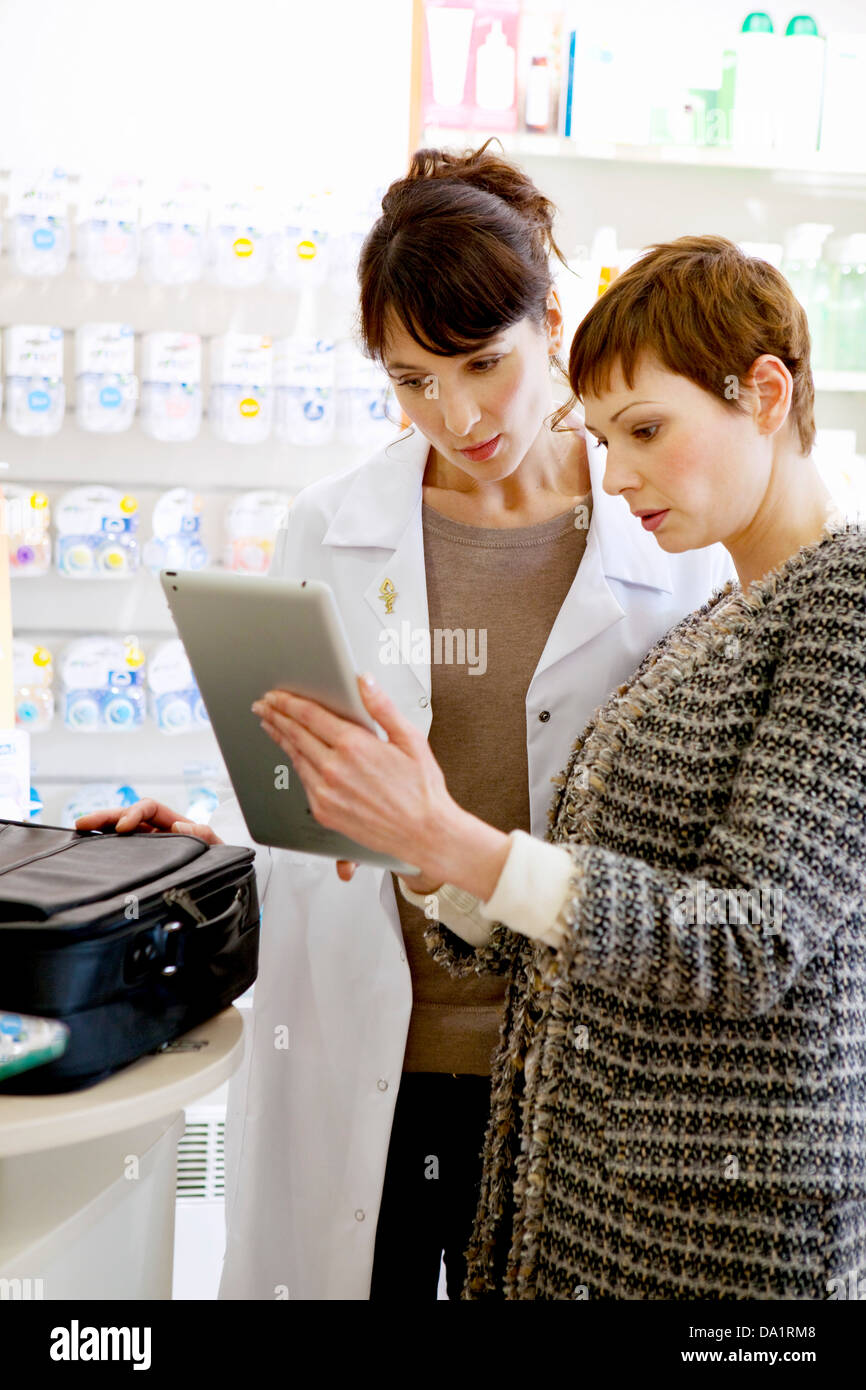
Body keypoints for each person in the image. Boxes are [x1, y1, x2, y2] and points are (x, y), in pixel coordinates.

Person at [75, 153, 733, 1300]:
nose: (457, 414)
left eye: (484, 364)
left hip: (571, 1074)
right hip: (366, 1058)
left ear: (552, 323)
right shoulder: (332, 528)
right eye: (413, 380)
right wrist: (207, 851)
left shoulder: (662, 539)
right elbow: (310, 815)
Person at [258, 233, 866, 1300]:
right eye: (602, 437)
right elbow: (594, 894)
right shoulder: (721, 616)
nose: (616, 474)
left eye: (644, 430)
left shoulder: (842, 603)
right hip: (593, 1193)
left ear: (765, 393)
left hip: (721, 1229)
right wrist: (419, 848)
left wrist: (460, 843)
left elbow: (751, 938)